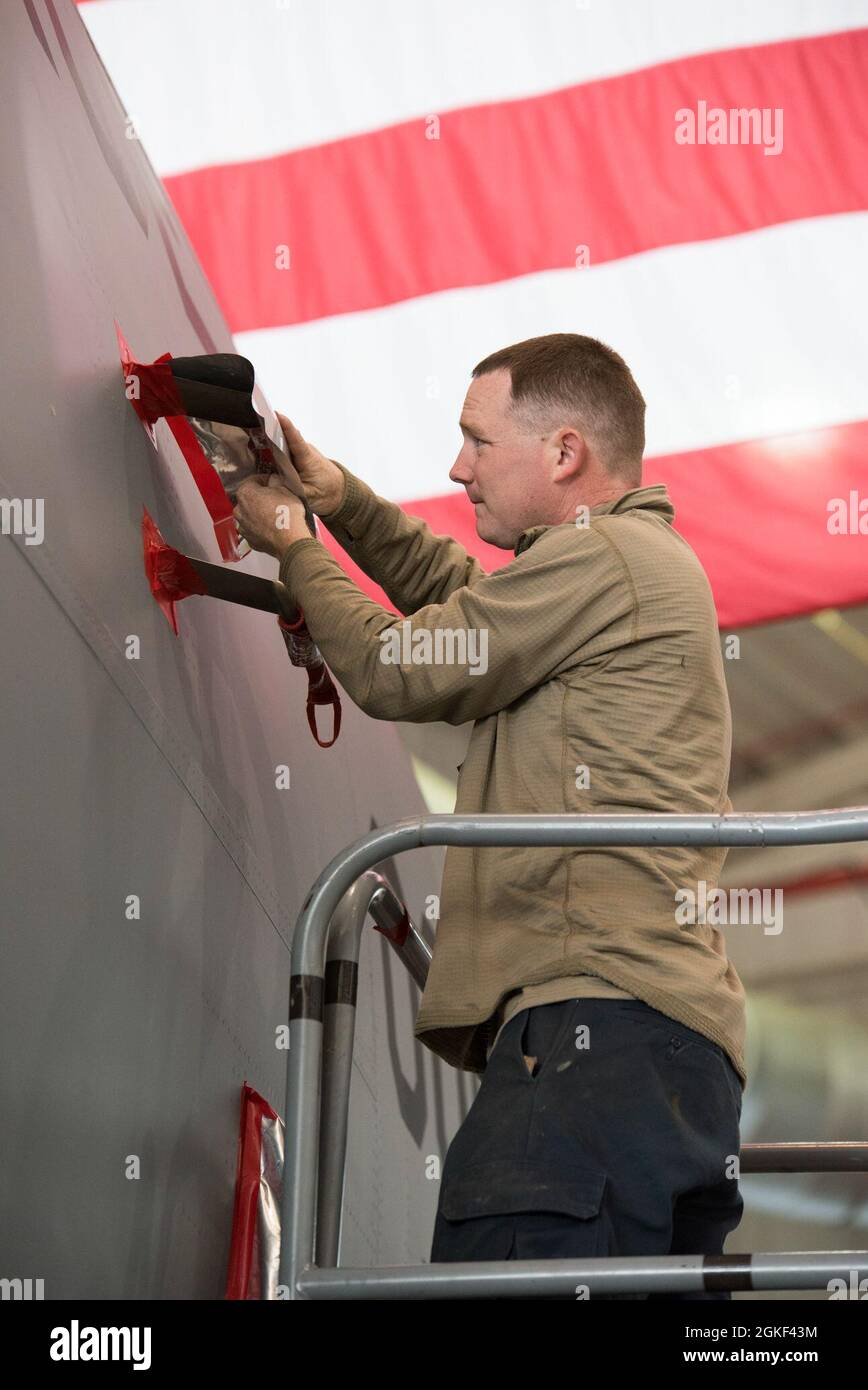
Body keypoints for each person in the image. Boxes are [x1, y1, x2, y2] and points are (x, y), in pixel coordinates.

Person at [233, 333, 746, 1299]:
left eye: (476, 441)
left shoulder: (608, 560)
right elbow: (468, 601)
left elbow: (401, 664)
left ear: (563, 454)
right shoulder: (625, 567)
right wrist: (340, 500)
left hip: (590, 1037)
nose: (456, 467)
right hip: (661, 1056)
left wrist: (296, 547)